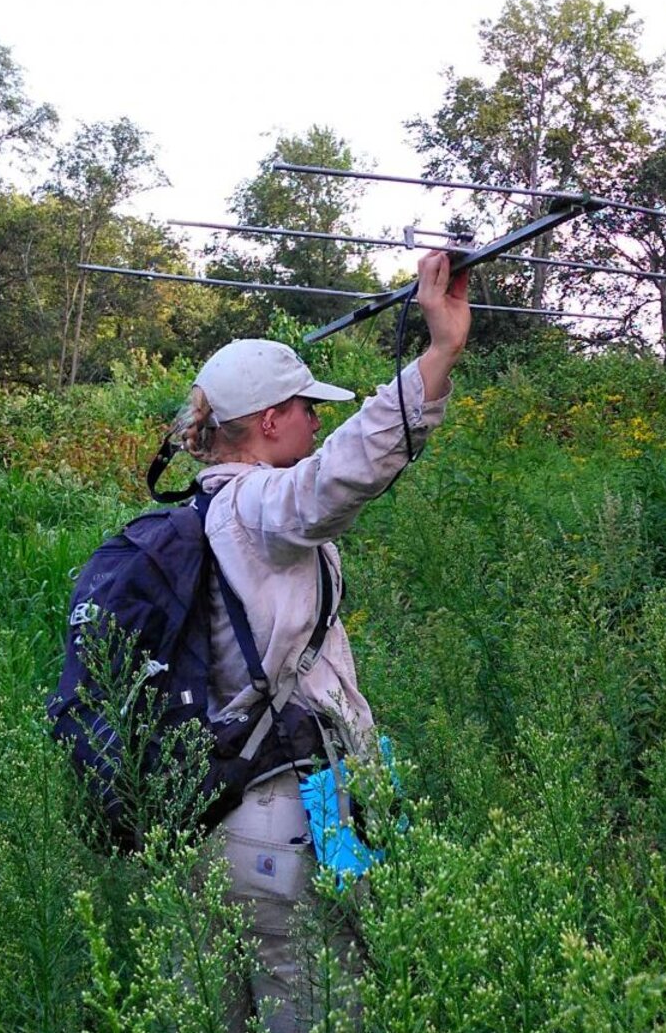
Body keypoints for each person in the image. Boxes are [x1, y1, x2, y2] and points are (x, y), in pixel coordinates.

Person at [167, 250, 470, 1030]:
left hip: (218, 821)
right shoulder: (259, 510)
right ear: (268, 422)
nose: (316, 420)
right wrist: (437, 356)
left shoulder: (202, 517)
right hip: (277, 827)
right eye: (305, 408)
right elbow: (337, 476)